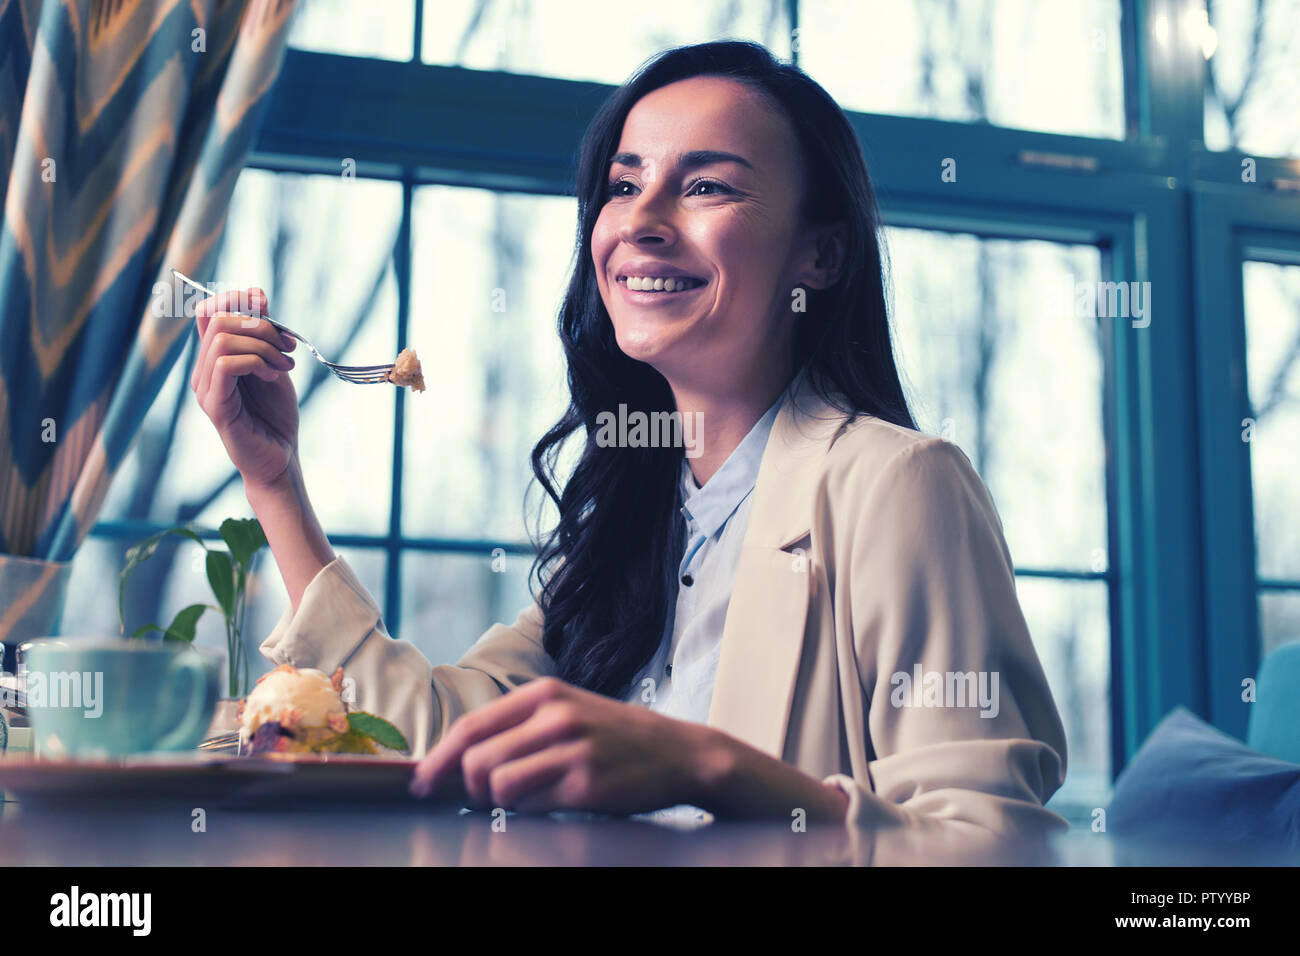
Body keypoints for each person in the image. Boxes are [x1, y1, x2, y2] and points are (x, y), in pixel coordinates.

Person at [190, 40, 1068, 833]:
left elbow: (990, 845)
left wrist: (704, 767)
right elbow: (433, 740)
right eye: (623, 184)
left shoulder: (901, 486)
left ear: (821, 258)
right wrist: (273, 481)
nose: (640, 219)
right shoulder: (634, 517)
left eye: (706, 185)